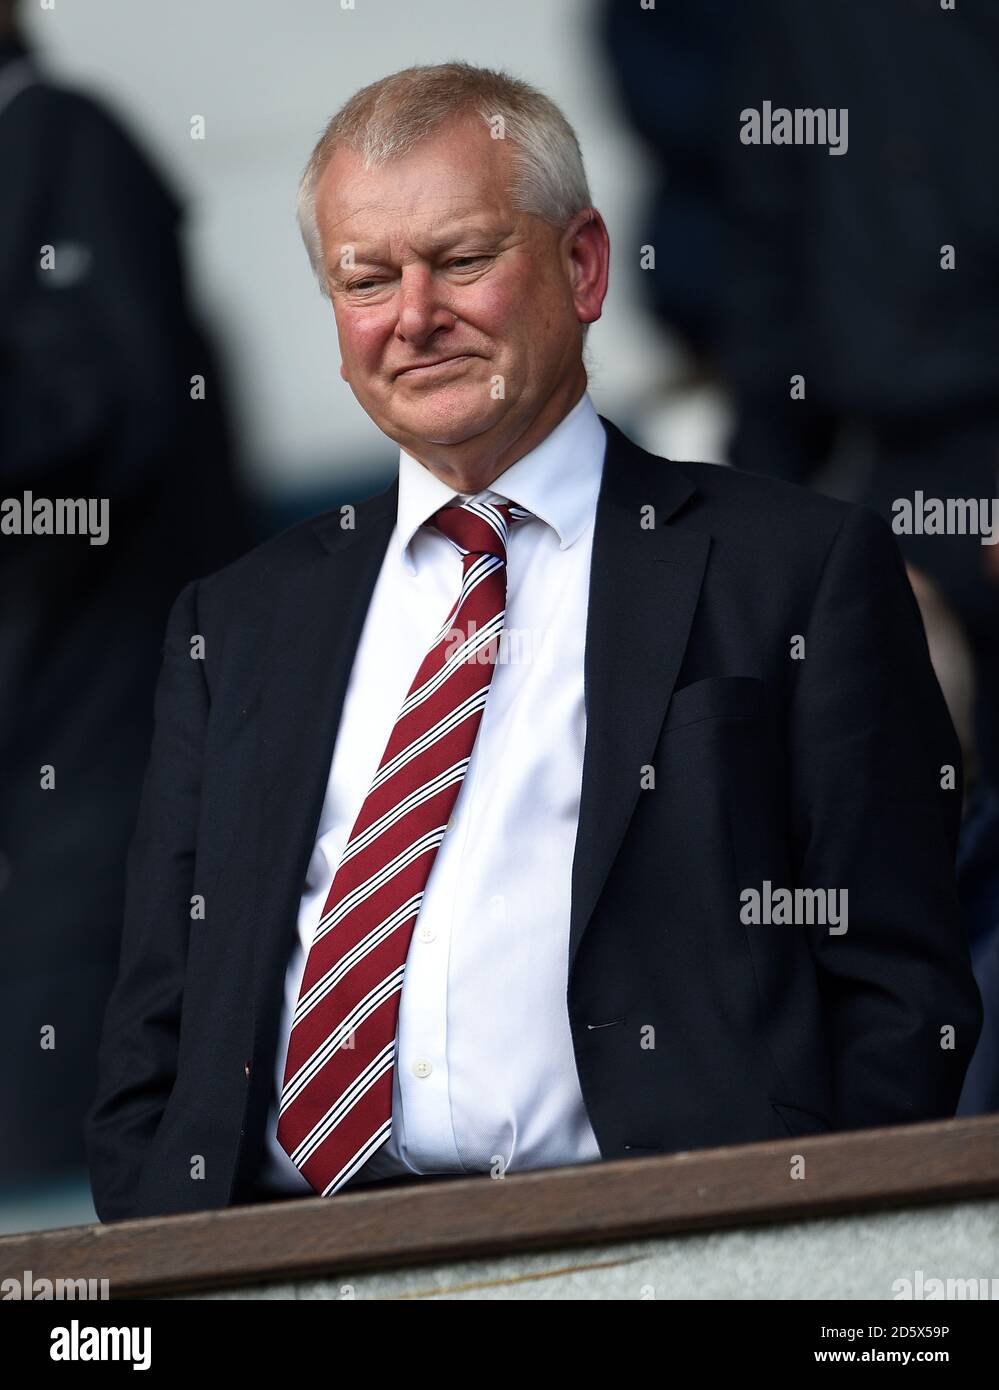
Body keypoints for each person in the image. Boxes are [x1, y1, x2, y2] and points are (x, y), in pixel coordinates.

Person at [85, 62, 982, 1223]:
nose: (414, 316)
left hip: (670, 1254)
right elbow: (157, 1018)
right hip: (281, 1256)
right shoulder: (232, 624)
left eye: (461, 260)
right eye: (368, 278)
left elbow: (902, 992)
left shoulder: (797, 573)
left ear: (584, 264)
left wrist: (791, 1250)